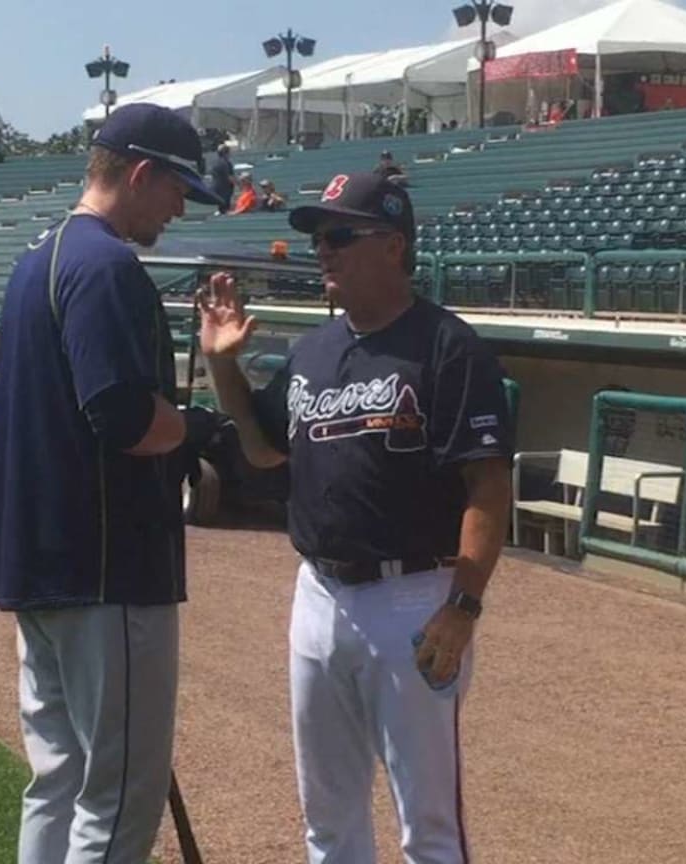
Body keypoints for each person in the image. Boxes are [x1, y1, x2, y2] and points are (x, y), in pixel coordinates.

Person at [197, 172, 513, 863]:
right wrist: (225, 369)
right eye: (317, 237)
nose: (322, 250)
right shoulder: (316, 349)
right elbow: (262, 449)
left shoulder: (448, 347)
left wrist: (462, 606)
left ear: (394, 246)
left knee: (429, 827)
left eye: (339, 235)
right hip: (317, 594)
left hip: (414, 598)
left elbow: (489, 487)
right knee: (328, 818)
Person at [0, 102, 220, 864]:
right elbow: (123, 416)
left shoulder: (34, 258)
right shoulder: (107, 264)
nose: (181, 206)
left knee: (58, 779)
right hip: (107, 570)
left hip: (40, 566)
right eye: (177, 188)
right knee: (118, 796)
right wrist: (198, 428)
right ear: (140, 174)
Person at [210, 143, 235, 213]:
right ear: (225, 153)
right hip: (225, 190)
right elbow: (230, 177)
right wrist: (239, 185)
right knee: (225, 209)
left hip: (216, 189)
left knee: (220, 208)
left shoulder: (214, 163)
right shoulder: (227, 163)